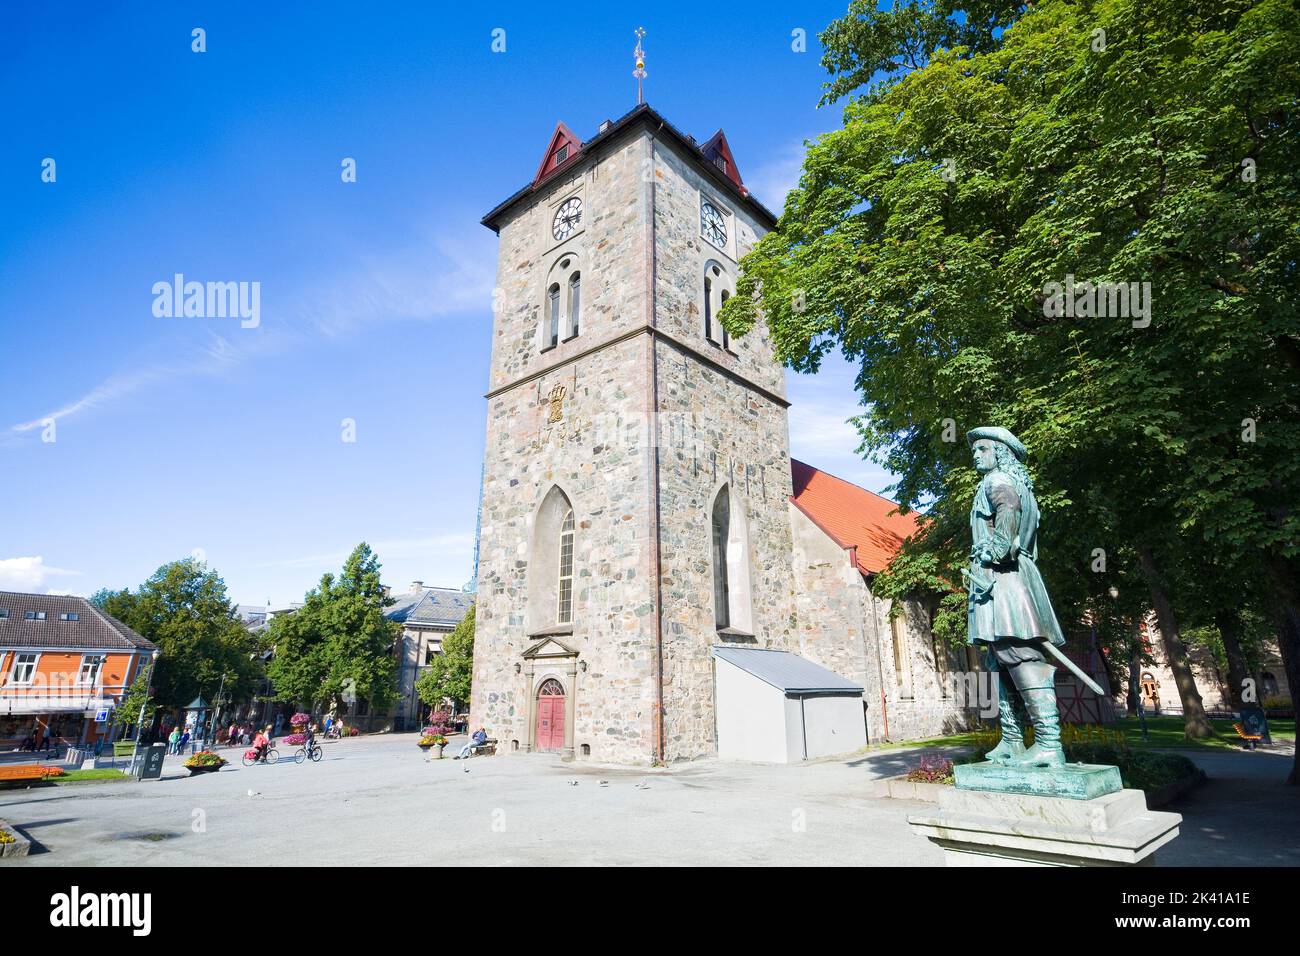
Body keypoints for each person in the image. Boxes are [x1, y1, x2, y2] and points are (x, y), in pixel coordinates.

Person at [965, 426, 1067, 768]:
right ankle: (1011, 740)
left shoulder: (1000, 482)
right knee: (999, 659)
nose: (975, 454)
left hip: (1005, 580)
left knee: (1019, 654)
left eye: (982, 449)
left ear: (1000, 452)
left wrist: (992, 552)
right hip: (1001, 579)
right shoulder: (1009, 481)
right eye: (975, 450)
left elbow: (1007, 517)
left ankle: (1049, 742)